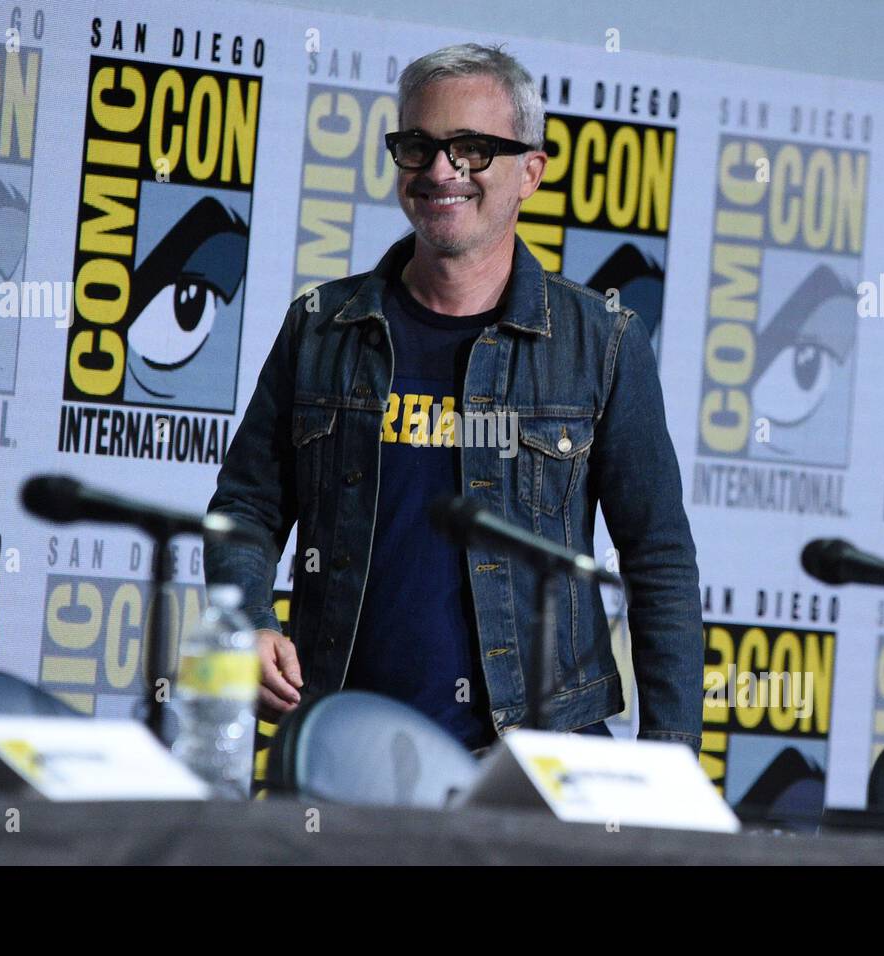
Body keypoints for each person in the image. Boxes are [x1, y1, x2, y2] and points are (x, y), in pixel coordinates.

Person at [204, 42, 702, 755]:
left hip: (538, 756)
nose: (442, 171)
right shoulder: (320, 325)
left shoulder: (603, 341)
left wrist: (672, 756)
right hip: (341, 748)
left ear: (530, 170)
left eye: (472, 149)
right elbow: (245, 509)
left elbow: (657, 558)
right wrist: (247, 623)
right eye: (419, 146)